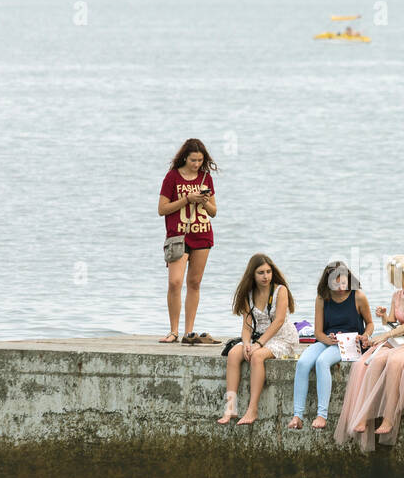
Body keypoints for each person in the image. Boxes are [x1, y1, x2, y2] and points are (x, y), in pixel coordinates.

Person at [335, 255, 404, 452]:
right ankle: (365, 413)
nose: (396, 283)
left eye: (399, 278)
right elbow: (393, 320)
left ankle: (389, 417)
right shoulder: (397, 295)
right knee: (371, 361)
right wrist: (384, 317)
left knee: (394, 361)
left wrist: (386, 334)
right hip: (400, 339)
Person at [289, 261, 373, 430]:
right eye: (336, 283)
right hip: (328, 341)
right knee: (303, 362)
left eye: (344, 282)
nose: (341, 287)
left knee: (322, 362)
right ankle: (297, 416)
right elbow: (318, 332)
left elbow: (370, 324)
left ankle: (322, 415)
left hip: (351, 343)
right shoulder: (322, 298)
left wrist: (365, 335)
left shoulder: (358, 296)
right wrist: (328, 339)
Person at [218, 254, 298, 425]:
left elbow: (279, 321)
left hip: (282, 337)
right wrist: (247, 343)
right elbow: (247, 325)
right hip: (257, 337)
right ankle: (230, 407)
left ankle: (252, 409)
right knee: (233, 354)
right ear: (252, 275)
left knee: (257, 356)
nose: (266, 276)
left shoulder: (280, 290)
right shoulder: (248, 294)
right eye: (261, 272)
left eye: (268, 272)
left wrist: (258, 345)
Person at [158, 138, 219, 345]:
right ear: (185, 157)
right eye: (193, 160)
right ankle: (173, 331)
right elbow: (162, 209)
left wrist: (203, 200)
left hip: (202, 233)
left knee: (194, 283)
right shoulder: (172, 177)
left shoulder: (205, 177)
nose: (197, 164)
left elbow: (213, 211)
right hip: (178, 236)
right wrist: (187, 199)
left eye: (200, 160)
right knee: (175, 282)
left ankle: (188, 332)